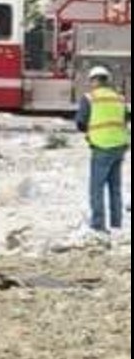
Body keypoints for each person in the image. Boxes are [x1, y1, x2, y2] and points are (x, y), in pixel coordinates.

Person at [76, 65, 128, 235]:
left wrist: (91, 130)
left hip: (101, 146)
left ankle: (98, 224)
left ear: (95, 80)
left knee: (97, 188)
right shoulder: (119, 98)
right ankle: (116, 223)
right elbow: (125, 118)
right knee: (115, 187)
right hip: (119, 146)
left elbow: (80, 123)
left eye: (91, 81)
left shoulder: (89, 98)